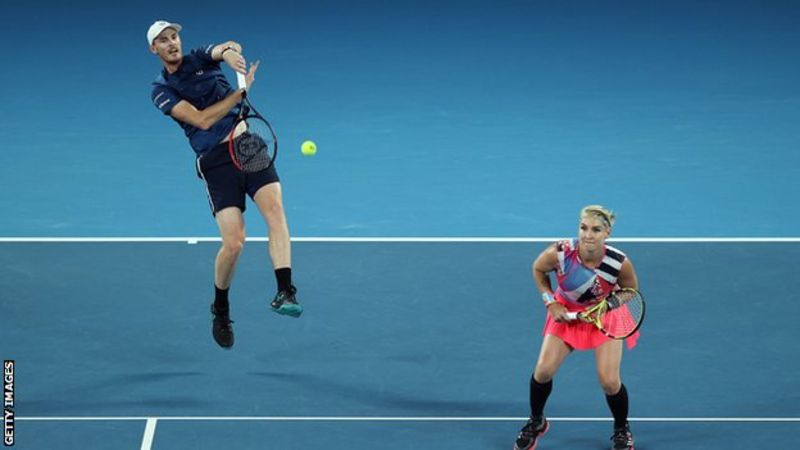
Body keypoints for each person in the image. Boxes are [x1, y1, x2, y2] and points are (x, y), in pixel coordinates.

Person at [147, 20, 302, 350]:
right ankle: (220, 306)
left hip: (247, 145)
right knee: (234, 242)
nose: (172, 43)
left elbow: (223, 47)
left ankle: (285, 290)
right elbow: (202, 120)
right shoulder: (161, 90)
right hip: (215, 161)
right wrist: (240, 93)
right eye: (163, 40)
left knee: (275, 212)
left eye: (174, 36)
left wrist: (231, 54)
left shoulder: (200, 58)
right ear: (154, 50)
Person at [514, 205, 639, 450]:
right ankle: (536, 421)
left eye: (595, 229)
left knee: (609, 381)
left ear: (607, 233)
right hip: (566, 313)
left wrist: (607, 305)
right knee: (543, 371)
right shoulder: (560, 253)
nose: (588, 235)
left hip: (604, 317)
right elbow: (538, 269)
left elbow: (630, 291)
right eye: (583, 228)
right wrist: (550, 303)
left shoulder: (618, 262)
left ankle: (622, 429)